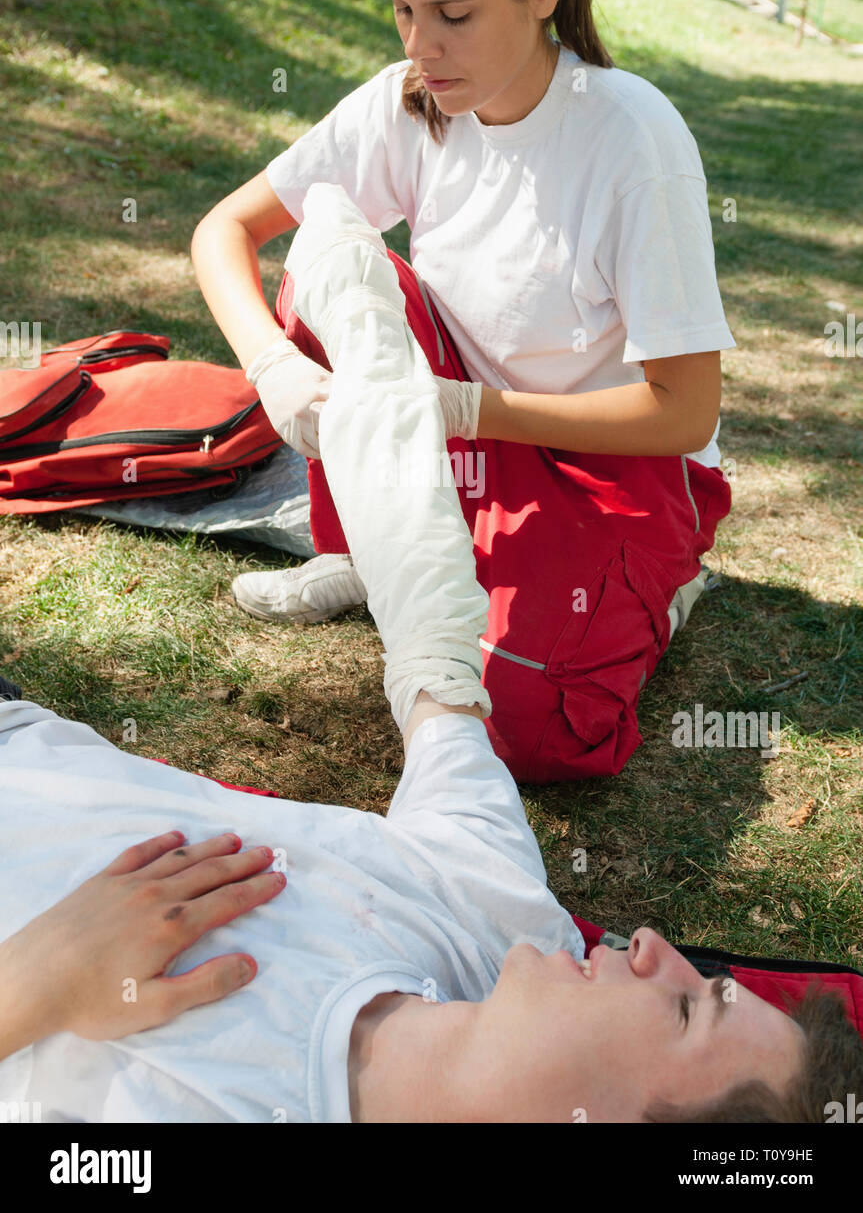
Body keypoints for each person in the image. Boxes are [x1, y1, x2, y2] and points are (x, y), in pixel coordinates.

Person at [2, 188, 860, 1124]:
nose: (657, 945)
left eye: (692, 1007)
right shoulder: (494, 923)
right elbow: (436, 657)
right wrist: (360, 324)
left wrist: (31, 986)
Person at [190, 0, 738, 783]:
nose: (421, 47)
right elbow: (224, 233)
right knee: (327, 243)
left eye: (452, 12)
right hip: (460, 441)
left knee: (523, 727)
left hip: (607, 467)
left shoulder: (630, 137)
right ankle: (372, 547)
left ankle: (664, 581)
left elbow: (684, 412)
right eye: (401, 10)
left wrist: (465, 409)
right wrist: (275, 370)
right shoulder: (406, 101)